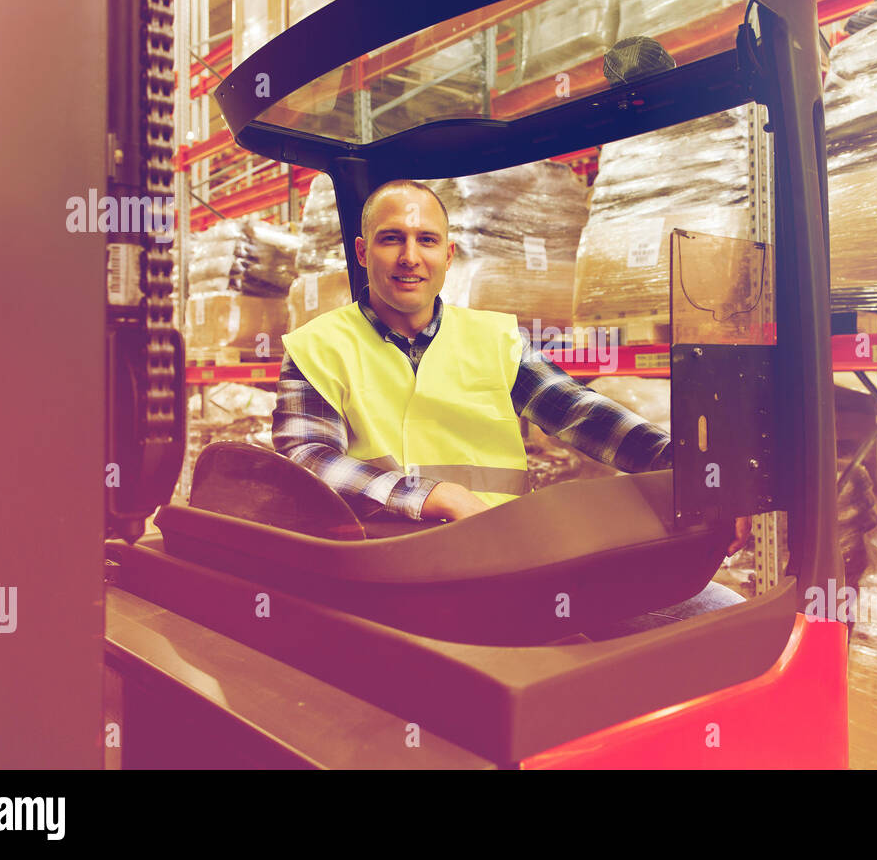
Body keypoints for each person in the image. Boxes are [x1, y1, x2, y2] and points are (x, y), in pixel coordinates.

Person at [274, 179, 748, 637]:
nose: (410, 257)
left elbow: (581, 413)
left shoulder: (496, 338)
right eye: (391, 239)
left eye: (427, 240)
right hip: (386, 574)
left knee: (727, 617)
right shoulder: (317, 346)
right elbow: (307, 458)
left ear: (448, 255)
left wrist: (691, 471)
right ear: (362, 252)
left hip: (509, 562)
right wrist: (430, 495)